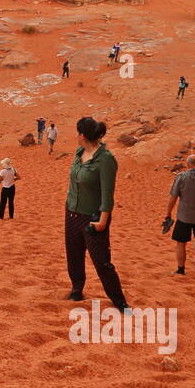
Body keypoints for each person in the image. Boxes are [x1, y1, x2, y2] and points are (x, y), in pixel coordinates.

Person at [64, 117, 131, 312]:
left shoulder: (106, 159)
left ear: (82, 135)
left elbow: (107, 193)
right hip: (71, 212)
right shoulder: (79, 153)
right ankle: (77, 289)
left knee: (101, 261)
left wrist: (102, 221)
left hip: (94, 217)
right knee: (73, 254)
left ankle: (119, 301)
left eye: (78, 133)